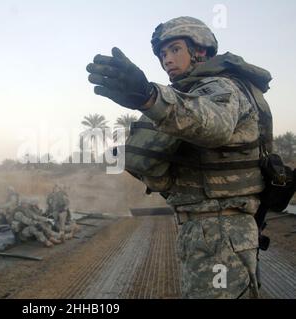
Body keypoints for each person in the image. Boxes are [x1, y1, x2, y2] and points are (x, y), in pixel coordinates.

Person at [86, 16, 274, 299]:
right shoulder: (191, 95)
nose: (167, 60)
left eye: (175, 49)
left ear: (200, 50)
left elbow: (215, 125)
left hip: (220, 231)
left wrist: (150, 97)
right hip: (206, 229)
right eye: (163, 54)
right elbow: (172, 179)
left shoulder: (220, 86)